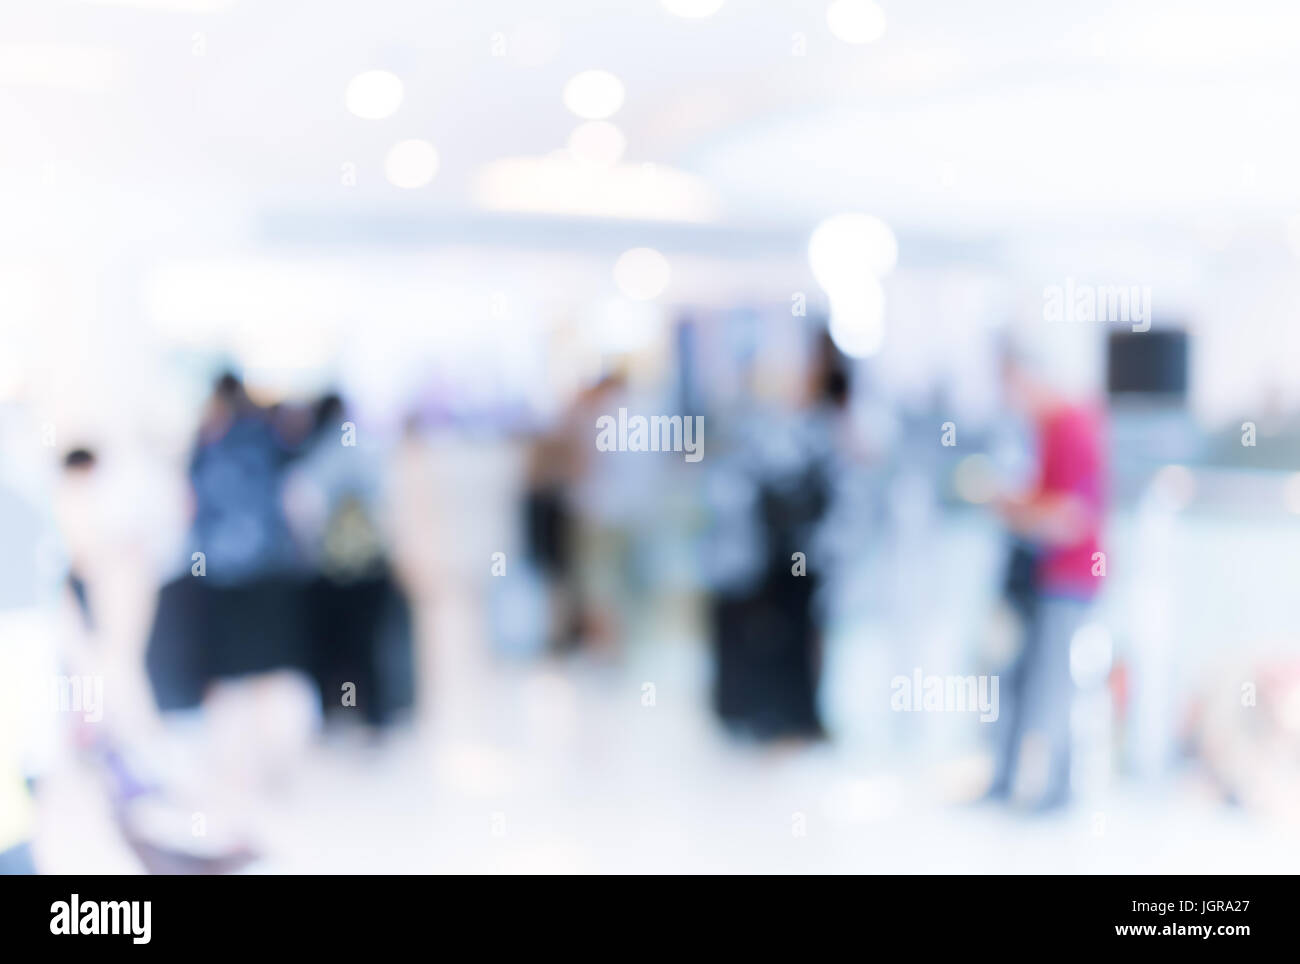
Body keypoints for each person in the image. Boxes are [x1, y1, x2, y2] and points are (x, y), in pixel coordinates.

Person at [986, 341, 1107, 809]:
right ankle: (1008, 782)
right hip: (1044, 578)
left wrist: (1014, 509)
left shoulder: (1071, 426)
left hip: (1070, 579)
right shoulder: (1046, 429)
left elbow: (1070, 518)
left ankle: (1059, 793)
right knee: (1022, 679)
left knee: (1054, 683)